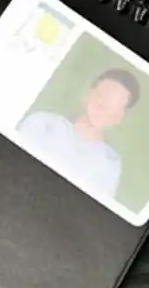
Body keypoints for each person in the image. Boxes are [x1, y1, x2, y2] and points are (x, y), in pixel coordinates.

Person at [18, 68, 140, 200]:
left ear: (120, 117)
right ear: (88, 94)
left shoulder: (109, 166)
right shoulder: (41, 123)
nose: (103, 107)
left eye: (114, 106)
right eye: (102, 97)